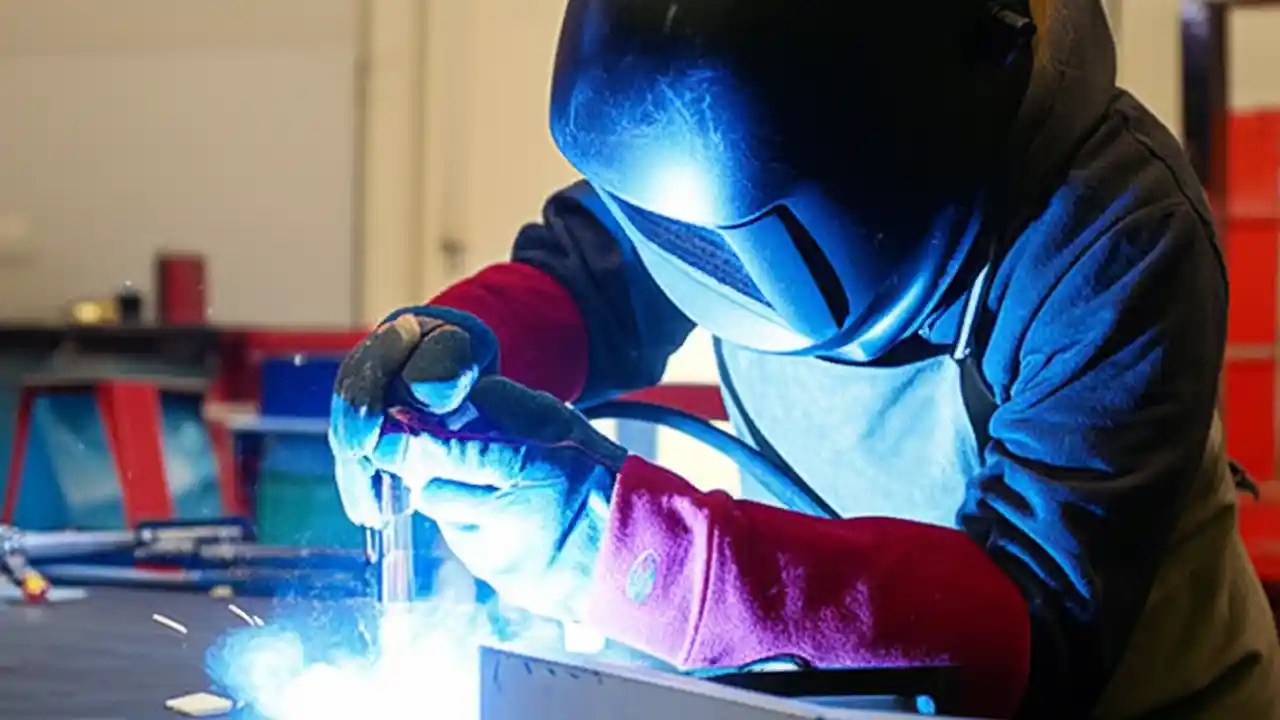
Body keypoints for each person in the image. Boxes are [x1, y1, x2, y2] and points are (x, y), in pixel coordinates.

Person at [329, 1, 1280, 717]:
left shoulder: (1109, 231)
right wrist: (450, 342)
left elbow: (1035, 630)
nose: (700, 254)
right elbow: (604, 270)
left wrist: (636, 557)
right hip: (837, 677)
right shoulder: (738, 110)